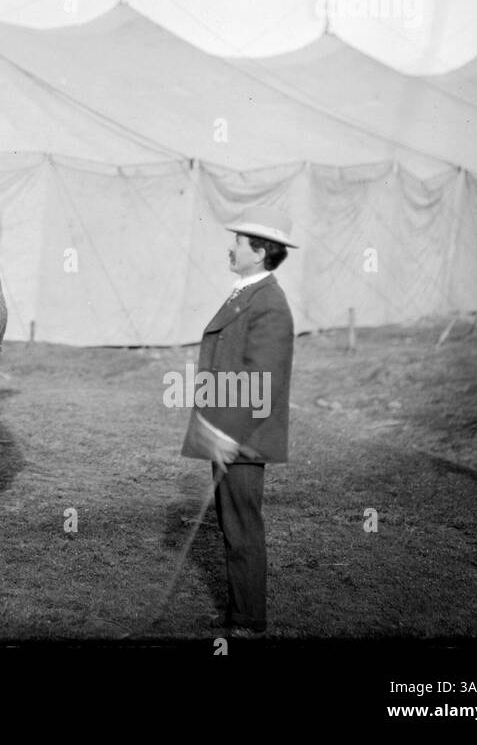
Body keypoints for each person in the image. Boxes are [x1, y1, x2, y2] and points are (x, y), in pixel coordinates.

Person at [181, 204, 298, 637]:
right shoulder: (245, 292)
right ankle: (241, 612)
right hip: (228, 430)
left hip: (243, 436)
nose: (231, 247)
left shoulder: (269, 303)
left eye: (239, 241)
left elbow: (260, 381)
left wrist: (229, 433)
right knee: (232, 523)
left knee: (242, 524)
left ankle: (249, 619)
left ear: (261, 251)